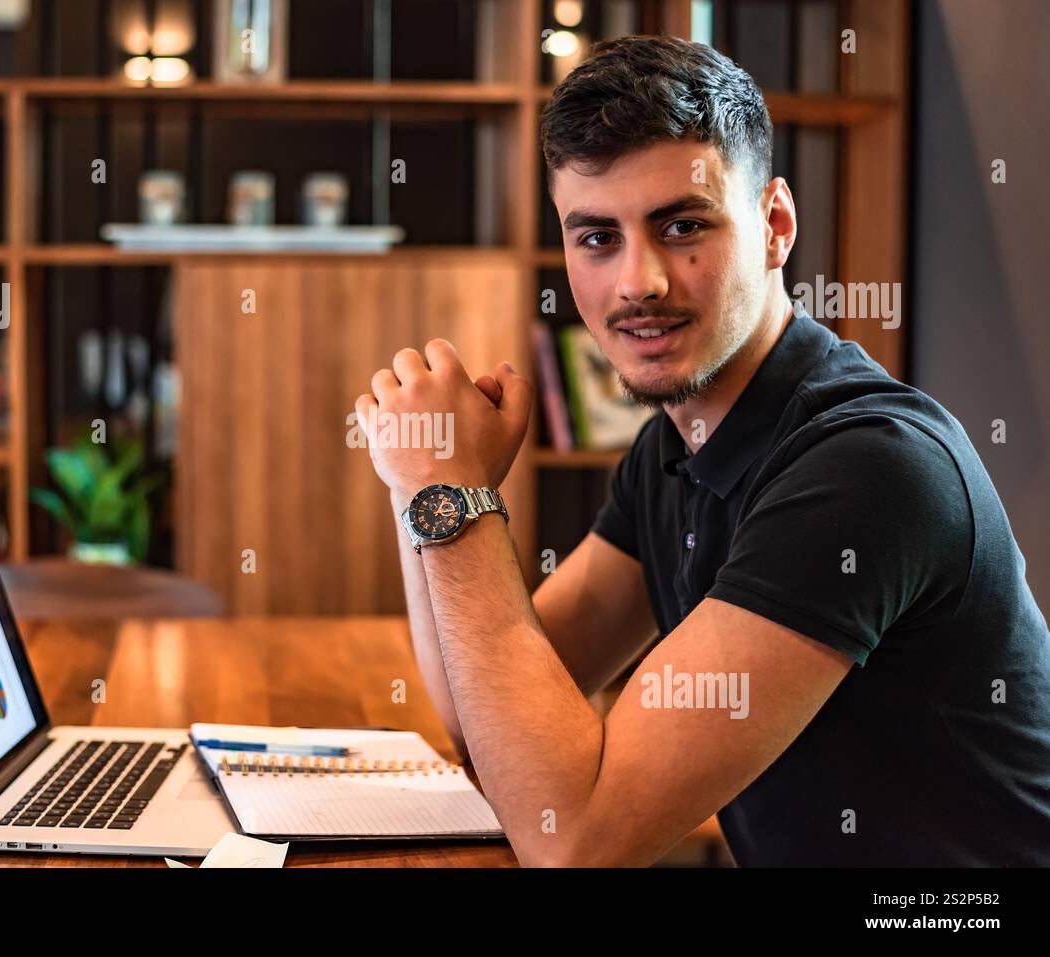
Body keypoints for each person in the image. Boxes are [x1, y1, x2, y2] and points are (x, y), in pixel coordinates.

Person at [354, 35, 1050, 866]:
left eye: (682, 225)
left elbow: (575, 838)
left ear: (775, 224)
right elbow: (480, 722)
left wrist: (455, 493)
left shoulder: (864, 468)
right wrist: (418, 480)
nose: (637, 281)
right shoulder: (672, 447)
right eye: (596, 237)